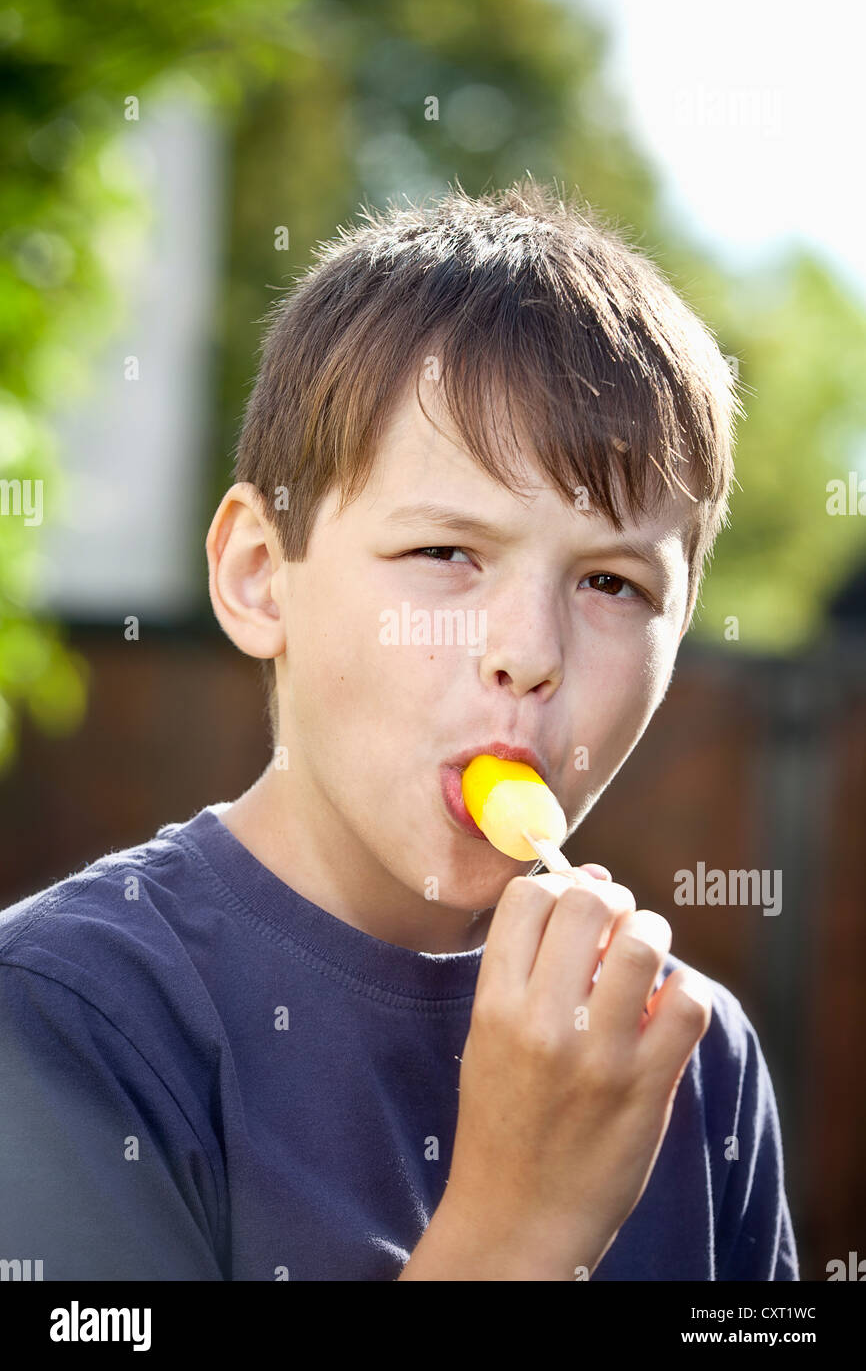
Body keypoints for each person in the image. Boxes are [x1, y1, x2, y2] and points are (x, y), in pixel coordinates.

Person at [0, 178, 798, 1280]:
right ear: (258, 578)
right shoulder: (65, 1016)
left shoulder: (685, 1056)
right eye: (445, 554)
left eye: (611, 583)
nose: (529, 651)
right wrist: (518, 1230)